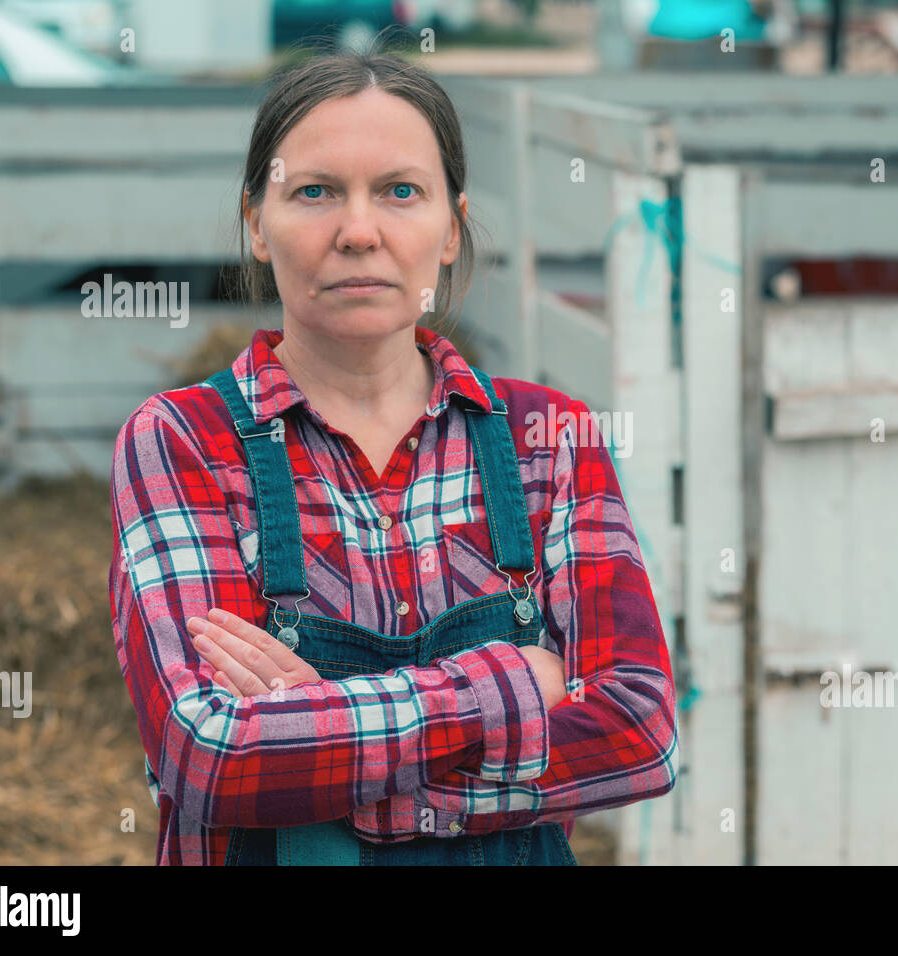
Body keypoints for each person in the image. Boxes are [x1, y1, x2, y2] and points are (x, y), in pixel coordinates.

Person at [107, 46, 678, 866]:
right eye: (315, 192)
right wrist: (513, 685)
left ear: (451, 229)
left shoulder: (550, 438)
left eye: (400, 192)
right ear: (256, 225)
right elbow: (212, 754)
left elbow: (640, 732)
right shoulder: (181, 441)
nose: (359, 232)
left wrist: (342, 759)